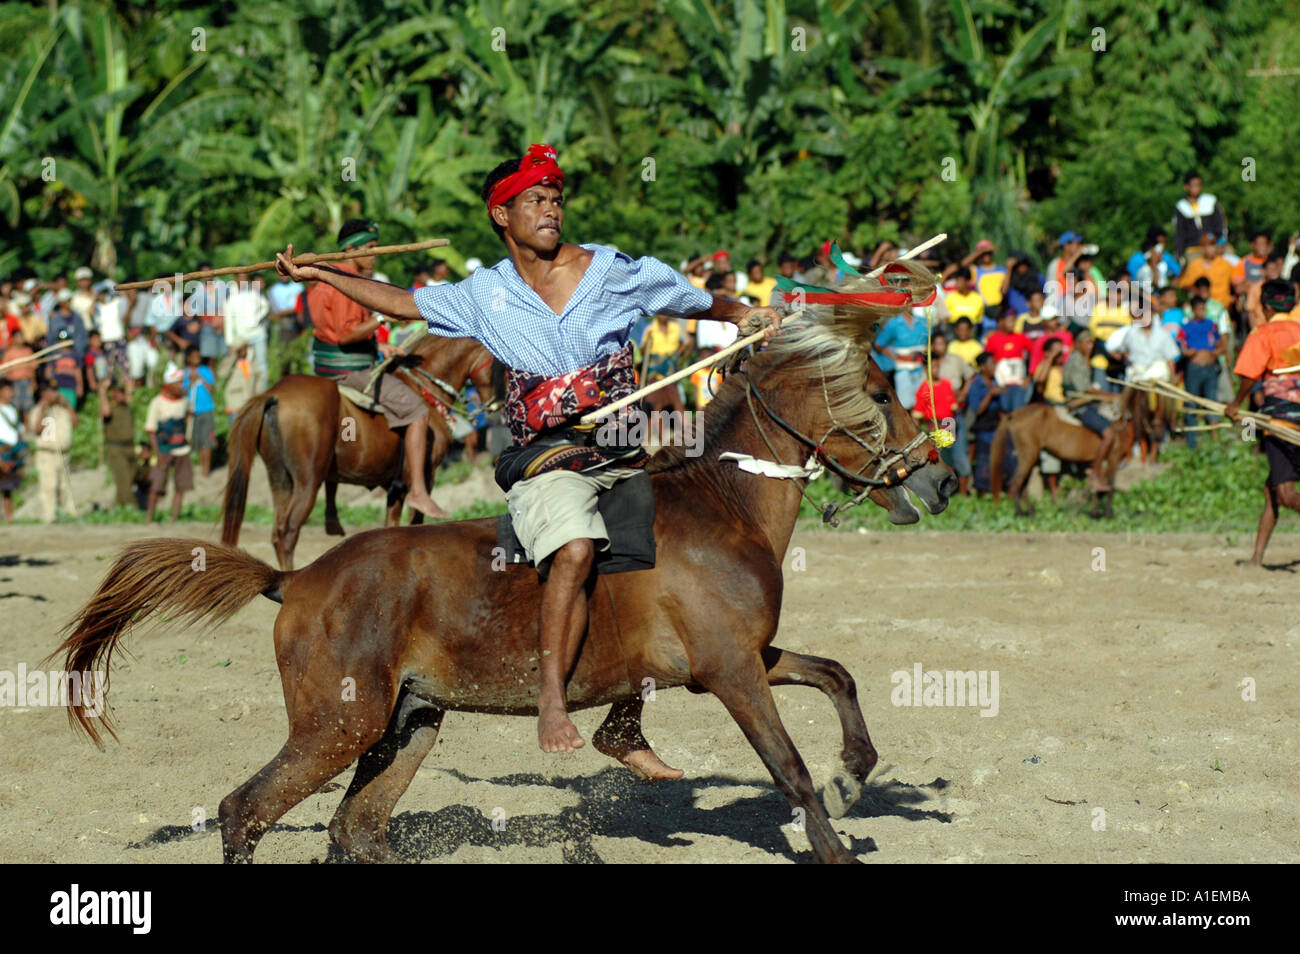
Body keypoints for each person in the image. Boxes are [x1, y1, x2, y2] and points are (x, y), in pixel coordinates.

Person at [273, 143, 780, 772]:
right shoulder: (483, 294)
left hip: (621, 448)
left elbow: (686, 298)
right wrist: (320, 275)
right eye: (535, 201)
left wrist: (742, 315)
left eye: (556, 199)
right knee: (573, 548)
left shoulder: (608, 269)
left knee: (664, 566)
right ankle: (551, 701)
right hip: (548, 456)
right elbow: (402, 303)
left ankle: (624, 723)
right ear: (501, 216)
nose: (551, 210)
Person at [306, 218, 446, 519]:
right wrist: (383, 317)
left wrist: (378, 346)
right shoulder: (343, 283)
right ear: (350, 250)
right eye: (370, 248)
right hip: (349, 370)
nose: (375, 254)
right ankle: (419, 493)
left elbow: (339, 334)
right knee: (418, 412)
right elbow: (345, 335)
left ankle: (331, 507)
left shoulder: (331, 278)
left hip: (335, 362)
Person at [1224, 281, 1300, 565]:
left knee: (1285, 493)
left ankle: (1256, 558)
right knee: (1271, 490)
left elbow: (1250, 374)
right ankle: (1256, 558)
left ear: (1267, 307)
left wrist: (1236, 404)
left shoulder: (1263, 333)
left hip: (1282, 418)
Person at [1062, 331, 1120, 491]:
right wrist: (1111, 395)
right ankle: (1095, 469)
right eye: (1087, 343)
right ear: (1078, 344)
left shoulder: (1083, 360)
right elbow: (1086, 389)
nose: (1091, 346)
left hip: (1087, 402)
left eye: (1092, 343)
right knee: (1109, 434)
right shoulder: (1076, 361)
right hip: (1079, 405)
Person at [145, 366, 193, 522]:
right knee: (157, 486)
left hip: (182, 448)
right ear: (169, 384)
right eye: (178, 383)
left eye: (182, 383)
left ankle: (174, 519)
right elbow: (151, 430)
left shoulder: (185, 401)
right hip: (163, 449)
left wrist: (188, 436)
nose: (181, 386)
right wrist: (158, 454)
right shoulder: (157, 403)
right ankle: (149, 519)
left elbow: (189, 417)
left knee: (181, 486)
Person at [1178, 297, 1226, 450]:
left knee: (1212, 401)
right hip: (1194, 369)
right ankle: (1192, 443)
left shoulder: (1211, 325)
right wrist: (1189, 352)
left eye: (1204, 309)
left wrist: (1214, 353)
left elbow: (1220, 345)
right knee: (1191, 403)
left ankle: (1215, 440)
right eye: (1199, 309)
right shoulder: (1185, 327)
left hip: (1210, 369)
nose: (1202, 312)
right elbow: (1182, 347)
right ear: (1192, 310)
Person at [28, 383, 78, 522]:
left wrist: (67, 405)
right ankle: (49, 517)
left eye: (55, 391)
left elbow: (76, 422)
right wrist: (44, 407)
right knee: (49, 486)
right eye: (51, 391)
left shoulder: (62, 409)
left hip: (63, 453)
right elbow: (37, 429)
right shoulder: (38, 410)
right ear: (44, 393)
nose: (54, 394)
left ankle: (70, 515)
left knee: (65, 486)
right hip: (47, 453)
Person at [874, 308, 930, 410]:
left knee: (924, 404)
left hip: (922, 369)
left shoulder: (923, 322)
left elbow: (932, 343)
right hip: (903, 370)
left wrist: (923, 353)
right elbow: (878, 344)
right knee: (906, 404)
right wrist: (894, 357)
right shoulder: (894, 324)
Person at [967, 352, 1005, 494]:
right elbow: (977, 409)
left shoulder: (995, 381)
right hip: (983, 429)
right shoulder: (977, 384)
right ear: (983, 367)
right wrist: (990, 394)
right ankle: (982, 492)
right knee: (984, 461)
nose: (995, 367)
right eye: (992, 364)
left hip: (996, 427)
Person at [224, 271, 271, 382]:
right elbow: (229, 320)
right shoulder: (231, 296)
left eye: (244, 277)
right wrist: (230, 342)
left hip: (258, 334)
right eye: (240, 277)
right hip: (242, 337)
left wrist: (257, 318)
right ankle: (247, 393)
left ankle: (262, 391)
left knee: (261, 364)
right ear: (236, 278)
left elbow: (265, 306)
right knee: (244, 366)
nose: (242, 280)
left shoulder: (254, 293)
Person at [99, 377, 137, 508]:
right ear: (113, 393)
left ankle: (121, 505)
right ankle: (131, 507)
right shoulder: (111, 406)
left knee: (129, 478)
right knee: (123, 479)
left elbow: (131, 395)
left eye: (122, 392)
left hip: (129, 447)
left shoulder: (125, 406)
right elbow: (105, 412)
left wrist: (127, 383)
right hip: (116, 449)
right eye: (118, 392)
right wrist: (102, 392)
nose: (122, 394)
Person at [984, 309, 1032, 411]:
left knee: (1018, 413)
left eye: (1014, 321)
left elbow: (1034, 355)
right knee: (1004, 411)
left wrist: (1029, 377)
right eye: (1010, 321)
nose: (1013, 324)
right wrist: (993, 383)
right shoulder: (993, 339)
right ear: (1001, 322)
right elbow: (987, 361)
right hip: (1001, 384)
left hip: (1019, 384)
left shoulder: (1021, 337)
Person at [1173, 173, 1227, 260]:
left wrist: (1219, 242)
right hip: (1193, 249)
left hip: (1214, 246)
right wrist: (1180, 254)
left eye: (1198, 185)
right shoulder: (1181, 207)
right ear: (1186, 187)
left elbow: (1221, 224)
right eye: (1193, 185)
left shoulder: (1210, 201)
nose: (1196, 188)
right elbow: (1179, 233)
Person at [1178, 233, 1234, 309]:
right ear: (1202, 248)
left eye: (1214, 245)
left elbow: (1234, 281)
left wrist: (1233, 298)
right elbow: (1183, 284)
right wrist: (1197, 290)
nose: (1213, 248)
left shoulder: (1225, 264)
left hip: (1223, 307)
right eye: (1210, 245)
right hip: (1202, 310)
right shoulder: (1195, 265)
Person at [220, 337, 266, 427]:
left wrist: (258, 391)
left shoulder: (251, 361)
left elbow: (259, 376)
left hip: (249, 402)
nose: (243, 351)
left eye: (244, 348)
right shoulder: (231, 363)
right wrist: (233, 356)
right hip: (235, 403)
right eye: (240, 349)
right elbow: (222, 374)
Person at [0, 378, 25, 523]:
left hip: (12, 451)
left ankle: (9, 517)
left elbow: (18, 430)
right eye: (7, 390)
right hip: (1, 449)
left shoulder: (13, 409)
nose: (11, 393)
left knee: (7, 485)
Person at [1, 329, 36, 414]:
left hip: (27, 382)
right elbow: (5, 370)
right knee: (15, 407)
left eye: (21, 336)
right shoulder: (9, 352)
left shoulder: (28, 351)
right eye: (18, 337)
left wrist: (34, 382)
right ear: (13, 338)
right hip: (14, 383)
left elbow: (32, 368)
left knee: (28, 408)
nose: (20, 338)